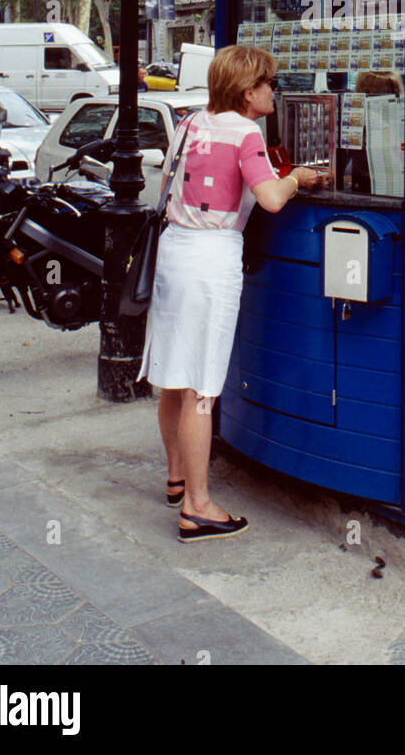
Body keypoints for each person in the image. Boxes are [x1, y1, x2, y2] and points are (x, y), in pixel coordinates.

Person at [138, 45, 324, 541]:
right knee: (203, 389)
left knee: (174, 377)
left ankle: (177, 479)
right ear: (248, 92)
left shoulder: (191, 123)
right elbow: (269, 199)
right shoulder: (246, 133)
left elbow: (166, 190)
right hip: (212, 259)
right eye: (269, 84)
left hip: (174, 255)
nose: (273, 91)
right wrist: (296, 178)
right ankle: (198, 507)